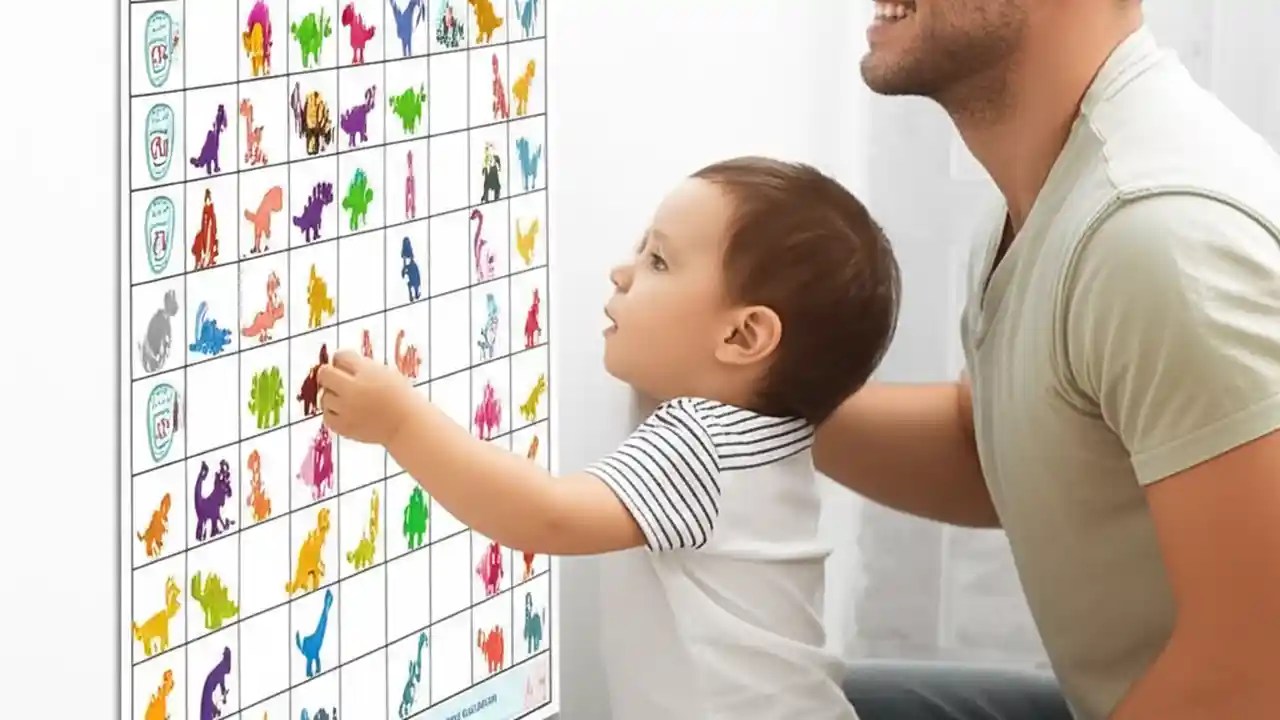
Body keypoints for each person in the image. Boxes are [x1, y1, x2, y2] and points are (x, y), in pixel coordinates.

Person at [819, 1, 1280, 719]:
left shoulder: (1156, 234)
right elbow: (1004, 450)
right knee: (783, 699)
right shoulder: (1051, 192)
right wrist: (752, 392)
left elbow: (1254, 675)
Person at [315, 156, 902, 719]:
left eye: (659, 262)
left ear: (744, 335)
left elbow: (547, 517)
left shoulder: (703, 443)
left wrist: (398, 422)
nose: (622, 271)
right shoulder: (771, 430)